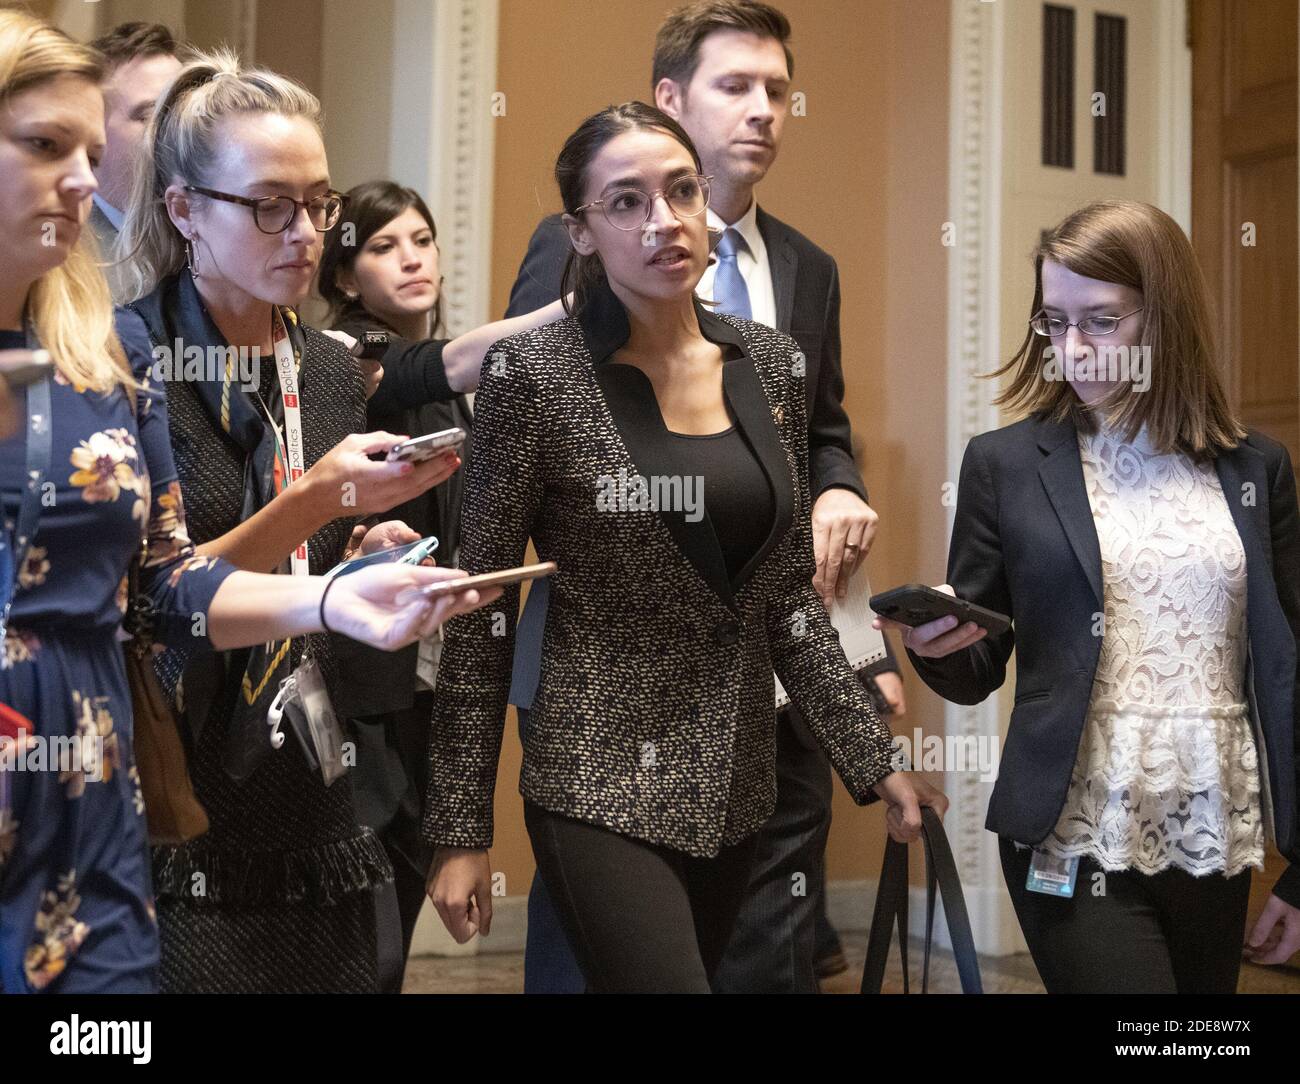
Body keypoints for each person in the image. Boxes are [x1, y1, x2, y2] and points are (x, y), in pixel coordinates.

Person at [0, 11, 492, 994]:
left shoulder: (106, 355)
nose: (87, 181)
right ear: (186, 210)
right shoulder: (156, 346)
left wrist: (334, 596)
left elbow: (164, 580)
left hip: (100, 786)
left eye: (94, 150)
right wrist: (313, 501)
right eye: (46, 145)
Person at [424, 102, 946, 994]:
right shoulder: (532, 378)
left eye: (680, 192)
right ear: (578, 233)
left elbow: (785, 598)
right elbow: (482, 607)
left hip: (738, 779)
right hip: (593, 768)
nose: (663, 222)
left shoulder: (773, 366)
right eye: (624, 203)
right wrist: (461, 830)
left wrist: (874, 759)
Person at [879, 199, 1300, 993]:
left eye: (1101, 322)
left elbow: (1290, 671)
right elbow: (976, 669)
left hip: (1216, 828)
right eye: (1053, 322)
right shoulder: (1006, 465)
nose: (1071, 349)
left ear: (1165, 318)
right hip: (1069, 831)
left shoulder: (1257, 470)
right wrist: (935, 643)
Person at [317, 180, 567, 990]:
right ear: (347, 274)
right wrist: (590, 293)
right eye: (384, 246)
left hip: (437, 673)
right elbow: (448, 360)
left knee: (396, 912)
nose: (411, 256)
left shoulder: (454, 381)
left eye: (420, 238)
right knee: (368, 930)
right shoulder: (345, 361)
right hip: (363, 683)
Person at [86, 21, 185, 299]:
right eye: (150, 115)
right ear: (92, 132)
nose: (175, 130)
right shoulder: (60, 256)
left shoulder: (214, 240)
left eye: (182, 111)